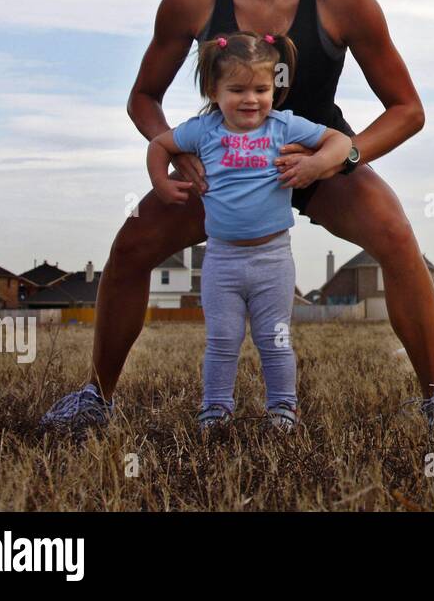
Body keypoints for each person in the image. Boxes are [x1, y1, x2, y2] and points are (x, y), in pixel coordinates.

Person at [41, 0, 434, 434]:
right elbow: (143, 96)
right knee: (132, 245)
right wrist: (173, 150)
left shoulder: (346, 1)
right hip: (224, 165)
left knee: (395, 235)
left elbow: (408, 110)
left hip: (311, 158)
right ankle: (96, 398)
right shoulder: (189, 1)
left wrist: (339, 156)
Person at [147, 31, 350, 433]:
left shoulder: (283, 126)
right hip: (221, 260)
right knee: (221, 341)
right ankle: (215, 409)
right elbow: (159, 144)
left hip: (273, 259)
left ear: (274, 87)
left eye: (260, 89)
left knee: (275, 340)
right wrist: (160, 182)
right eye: (237, 89)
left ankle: (282, 410)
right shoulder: (203, 130)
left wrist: (315, 165)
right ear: (213, 89)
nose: (251, 99)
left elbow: (339, 140)